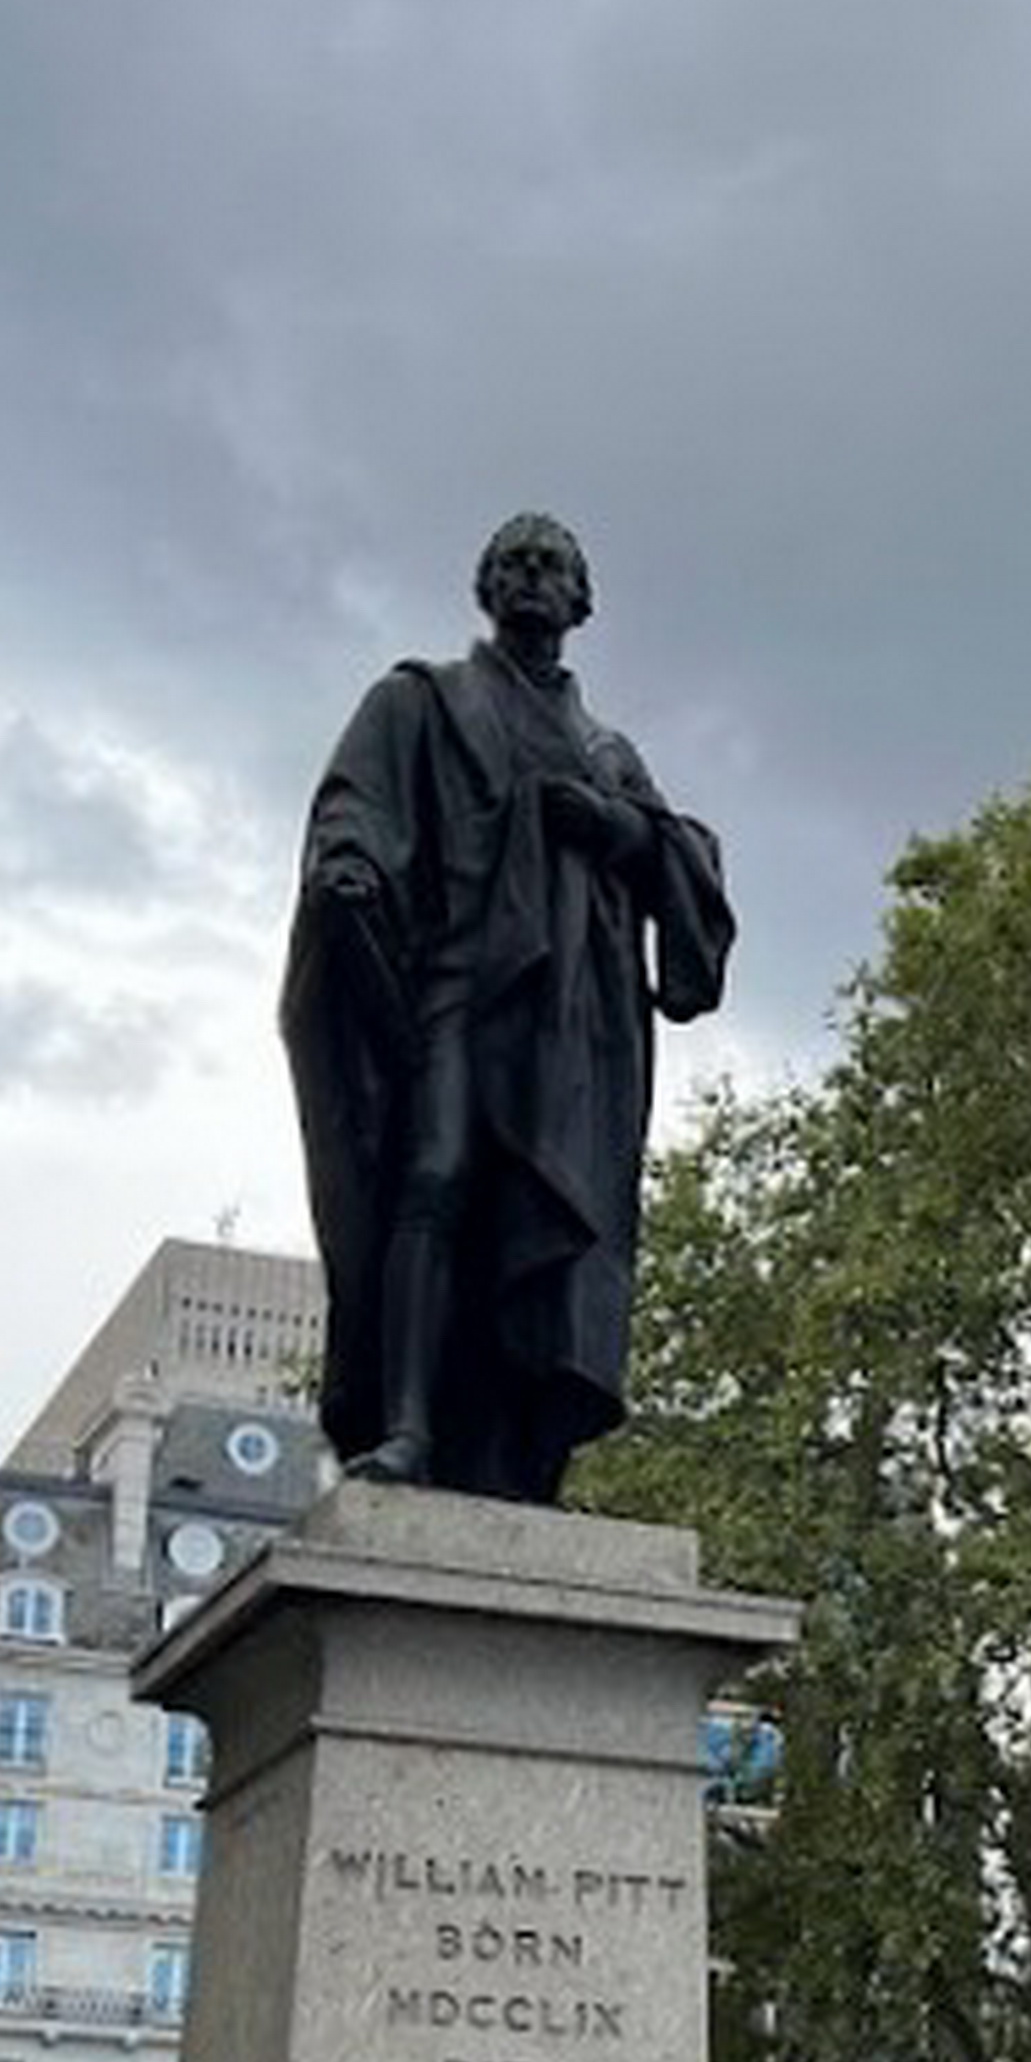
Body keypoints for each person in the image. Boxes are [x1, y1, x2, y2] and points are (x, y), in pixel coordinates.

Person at [279, 512, 733, 1504]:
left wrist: (611, 827)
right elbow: (354, 804)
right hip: (453, 988)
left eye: (553, 567)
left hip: (564, 1036)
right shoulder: (422, 702)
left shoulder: (606, 751)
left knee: (536, 1222)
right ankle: (405, 1425)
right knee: (432, 1177)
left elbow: (681, 862)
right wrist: (350, 867)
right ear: (485, 588)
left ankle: (516, 1437)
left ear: (582, 602)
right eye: (515, 564)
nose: (533, 579)